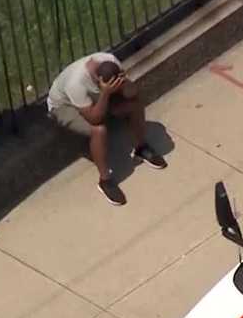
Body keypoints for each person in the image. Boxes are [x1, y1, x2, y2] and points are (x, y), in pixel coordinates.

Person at [47, 51, 166, 205]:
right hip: (64, 105)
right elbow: (94, 118)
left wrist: (124, 83)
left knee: (134, 105)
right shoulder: (76, 84)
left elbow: (133, 93)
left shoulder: (110, 60)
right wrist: (105, 94)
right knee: (99, 130)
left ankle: (141, 147)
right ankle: (105, 180)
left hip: (95, 95)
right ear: (98, 80)